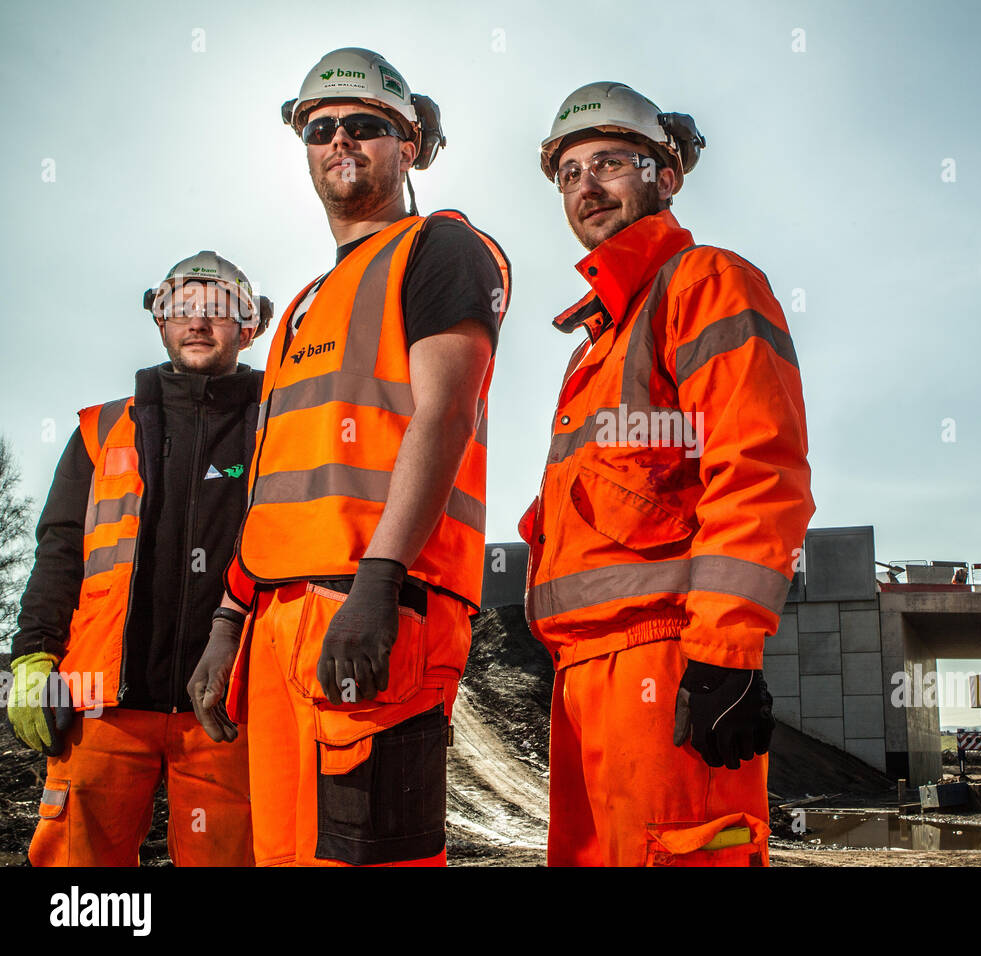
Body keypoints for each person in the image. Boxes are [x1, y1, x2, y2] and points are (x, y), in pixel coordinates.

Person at [187, 47, 509, 867]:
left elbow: (447, 413)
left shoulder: (439, 249)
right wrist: (228, 621)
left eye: (364, 126)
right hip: (277, 625)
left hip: (377, 610)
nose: (340, 140)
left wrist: (378, 579)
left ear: (410, 145)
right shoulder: (301, 304)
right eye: (319, 127)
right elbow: (276, 487)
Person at [521, 82, 815, 866]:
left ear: (667, 176)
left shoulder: (705, 283)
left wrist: (724, 655)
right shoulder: (596, 344)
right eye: (569, 172)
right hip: (582, 678)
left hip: (665, 666)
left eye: (611, 161)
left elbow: (758, 466)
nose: (587, 184)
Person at [6, 251, 270, 866]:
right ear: (159, 318)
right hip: (102, 703)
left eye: (219, 308)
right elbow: (61, 548)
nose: (198, 322)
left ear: (250, 324)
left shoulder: (278, 427)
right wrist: (34, 652)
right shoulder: (102, 430)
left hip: (228, 702)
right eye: (181, 307)